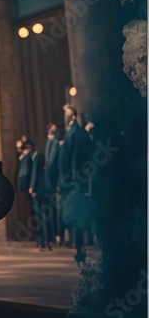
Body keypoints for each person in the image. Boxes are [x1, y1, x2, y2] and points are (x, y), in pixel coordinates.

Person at [61, 104, 94, 265]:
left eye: (67, 113)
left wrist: (73, 176)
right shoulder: (74, 132)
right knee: (77, 216)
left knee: (78, 215)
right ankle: (79, 248)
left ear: (73, 115)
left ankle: (80, 248)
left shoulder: (77, 132)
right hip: (75, 179)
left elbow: (75, 156)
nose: (65, 116)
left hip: (77, 179)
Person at [28, 138, 52, 251]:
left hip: (37, 190)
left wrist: (32, 187)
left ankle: (42, 242)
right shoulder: (40, 156)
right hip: (43, 190)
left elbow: (34, 173)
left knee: (39, 217)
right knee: (43, 216)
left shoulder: (36, 157)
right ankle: (46, 241)